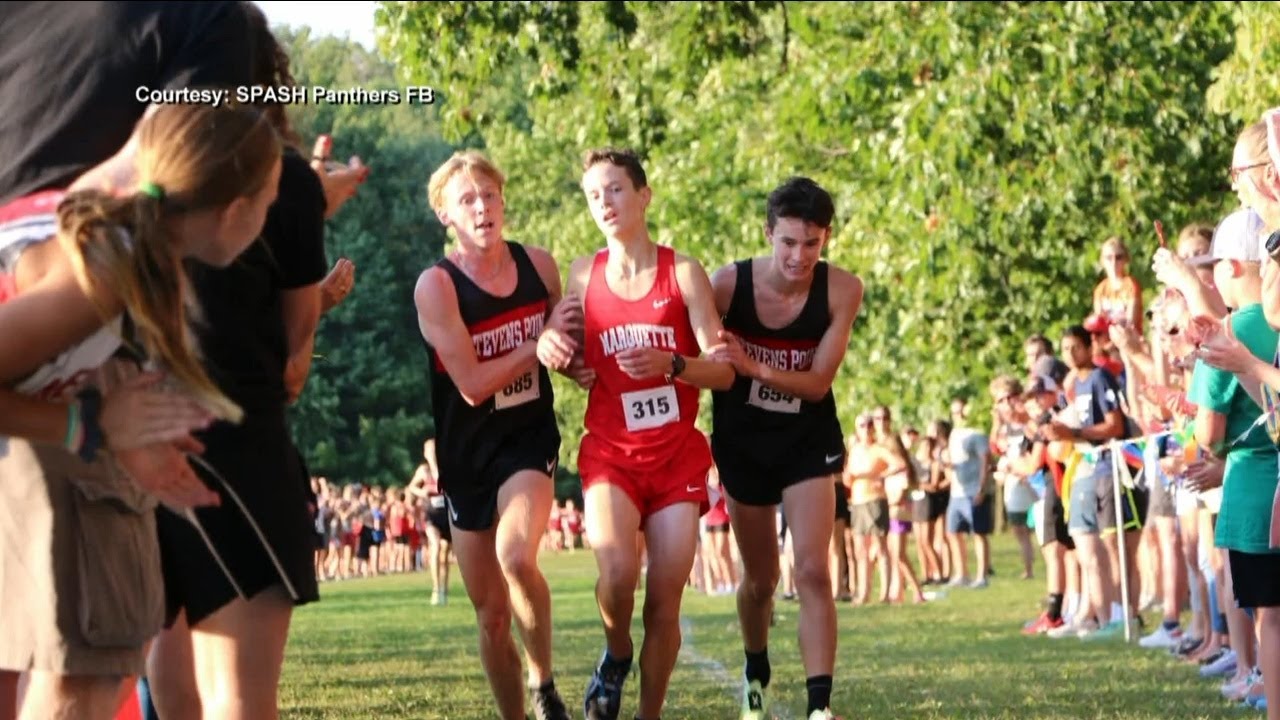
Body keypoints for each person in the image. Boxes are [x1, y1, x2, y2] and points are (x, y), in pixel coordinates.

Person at [0, 102, 281, 720]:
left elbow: (159, 124)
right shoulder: (101, 274)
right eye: (269, 202)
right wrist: (89, 426)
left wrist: (126, 439)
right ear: (235, 212)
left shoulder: (131, 243)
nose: (269, 218)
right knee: (85, 682)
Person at [141, 8, 364, 717]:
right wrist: (305, 203)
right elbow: (294, 363)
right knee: (239, 697)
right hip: (240, 452)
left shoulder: (127, 172)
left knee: (171, 692)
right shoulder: (285, 178)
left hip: (137, 440)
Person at [540, 147, 735, 720]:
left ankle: (648, 714)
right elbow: (569, 352)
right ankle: (617, 653)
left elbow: (723, 370)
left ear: (644, 196)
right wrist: (555, 352)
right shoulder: (583, 274)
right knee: (618, 573)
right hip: (610, 454)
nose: (604, 202)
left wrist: (671, 364)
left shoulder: (684, 273)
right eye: (593, 194)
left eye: (615, 189)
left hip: (675, 458)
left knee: (665, 600)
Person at [415, 150, 574, 720]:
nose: (481, 208)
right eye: (467, 200)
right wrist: (536, 345)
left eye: (489, 195)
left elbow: (567, 345)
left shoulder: (540, 266)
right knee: (491, 616)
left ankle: (544, 682)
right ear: (445, 215)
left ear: (503, 201)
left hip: (527, 440)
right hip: (466, 455)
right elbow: (473, 386)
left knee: (517, 556)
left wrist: (578, 359)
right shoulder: (437, 287)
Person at [705, 176, 862, 720]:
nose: (799, 256)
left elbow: (817, 383)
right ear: (768, 233)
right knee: (761, 580)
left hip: (806, 441)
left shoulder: (842, 290)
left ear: (826, 238)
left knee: (813, 570)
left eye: (812, 243)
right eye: (789, 242)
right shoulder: (728, 285)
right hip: (743, 442)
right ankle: (756, 671)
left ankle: (820, 707)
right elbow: (698, 355)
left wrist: (754, 366)